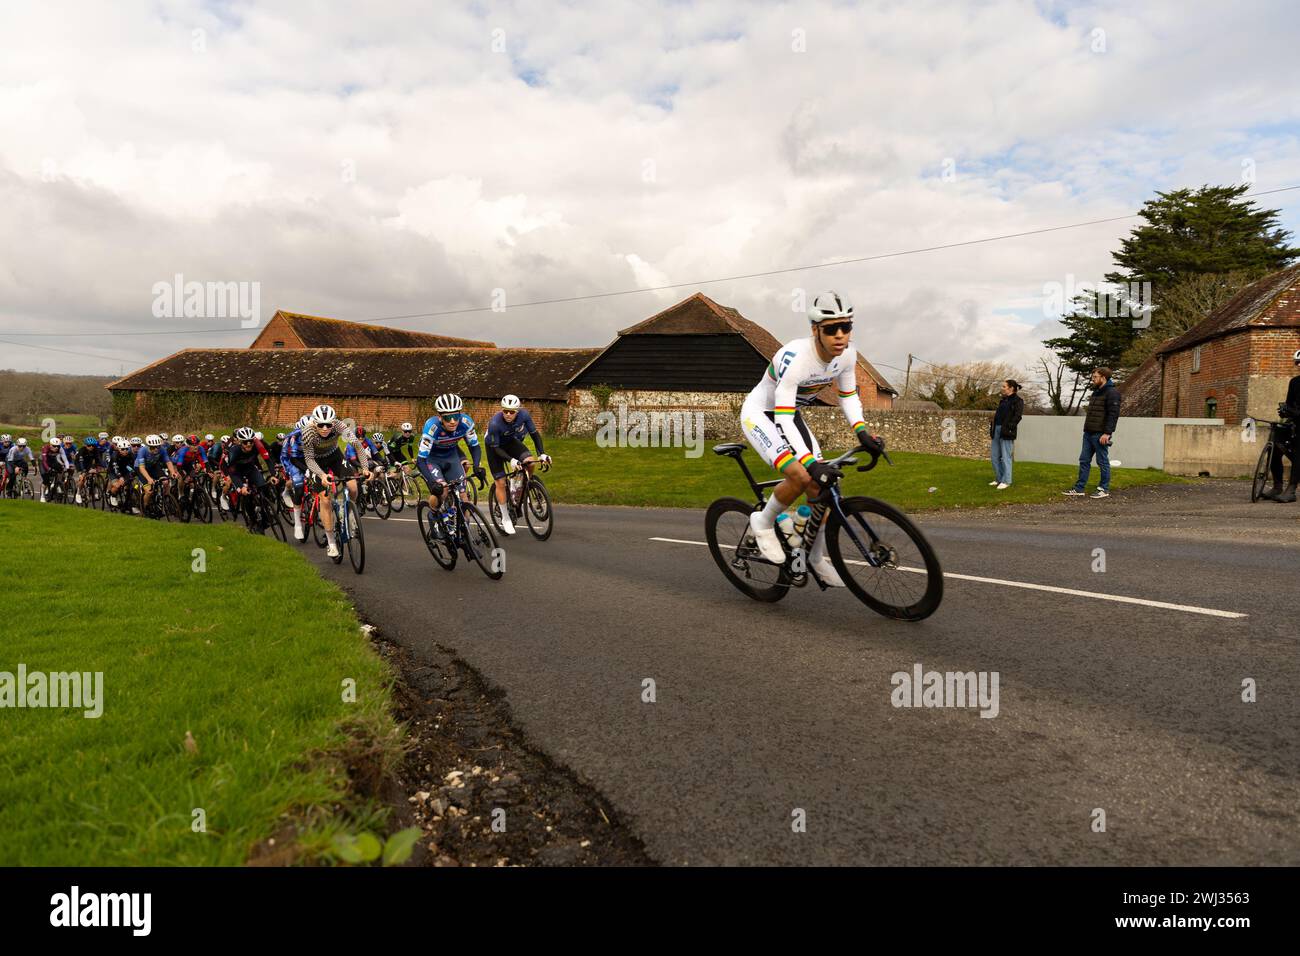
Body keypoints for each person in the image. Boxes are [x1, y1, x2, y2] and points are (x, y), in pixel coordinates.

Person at [740, 290, 885, 587]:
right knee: (800, 474)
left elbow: (848, 397)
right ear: (815, 330)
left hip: (790, 416)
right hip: (762, 414)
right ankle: (763, 521)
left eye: (847, 327)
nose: (840, 335)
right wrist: (809, 462)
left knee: (823, 487)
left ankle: (815, 557)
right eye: (832, 329)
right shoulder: (795, 359)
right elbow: (781, 418)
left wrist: (862, 431)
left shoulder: (847, 355)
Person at [301, 404, 369, 557]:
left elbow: (357, 445)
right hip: (317, 462)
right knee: (325, 500)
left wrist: (365, 468)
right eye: (321, 425)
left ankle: (350, 513)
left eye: (328, 425)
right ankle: (331, 542)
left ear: (333, 422)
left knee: (353, 486)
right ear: (314, 423)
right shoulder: (307, 432)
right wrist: (322, 475)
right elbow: (309, 460)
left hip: (334, 456)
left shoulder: (339, 426)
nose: (325, 428)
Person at [485, 394, 551, 535]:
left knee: (530, 462)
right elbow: (496, 448)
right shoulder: (495, 423)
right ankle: (505, 517)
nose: (508, 414)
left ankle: (523, 488)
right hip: (494, 447)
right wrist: (511, 460)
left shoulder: (524, 415)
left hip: (509, 442)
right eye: (505, 411)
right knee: (501, 482)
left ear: (518, 411)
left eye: (512, 412)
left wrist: (542, 453)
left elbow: (534, 434)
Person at [416, 394, 486, 520]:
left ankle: (465, 534)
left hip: (451, 456)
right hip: (432, 459)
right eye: (448, 417)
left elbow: (474, 446)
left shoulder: (466, 423)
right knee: (442, 491)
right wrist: (432, 483)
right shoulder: (432, 428)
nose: (453, 421)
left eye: (456, 416)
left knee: (464, 496)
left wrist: (477, 466)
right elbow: (421, 460)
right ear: (440, 417)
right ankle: (433, 516)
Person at [1063, 367, 1121, 499]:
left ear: (1103, 378)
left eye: (1095, 377)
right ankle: (1079, 488)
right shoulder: (1096, 392)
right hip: (1088, 433)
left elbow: (1113, 415)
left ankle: (1103, 489)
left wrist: (1107, 433)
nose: (1092, 379)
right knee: (1084, 460)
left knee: (1102, 462)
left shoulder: (1112, 393)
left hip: (1100, 434)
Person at [1260, 348, 1300, 502]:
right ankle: (1277, 487)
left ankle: (1291, 490)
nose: (1299, 366)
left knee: (1298, 453)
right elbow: (1290, 403)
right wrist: (1284, 411)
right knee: (1275, 446)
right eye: (1298, 363)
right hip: (1294, 421)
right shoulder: (1295, 382)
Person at [989, 380, 1024, 490]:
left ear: (1011, 388)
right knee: (994, 457)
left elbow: (1018, 416)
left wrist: (1009, 427)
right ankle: (999, 478)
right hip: (997, 430)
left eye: (1004, 386)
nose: (1002, 388)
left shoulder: (1018, 401)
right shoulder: (1003, 400)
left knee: (1005, 457)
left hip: (1007, 431)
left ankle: (1007, 480)